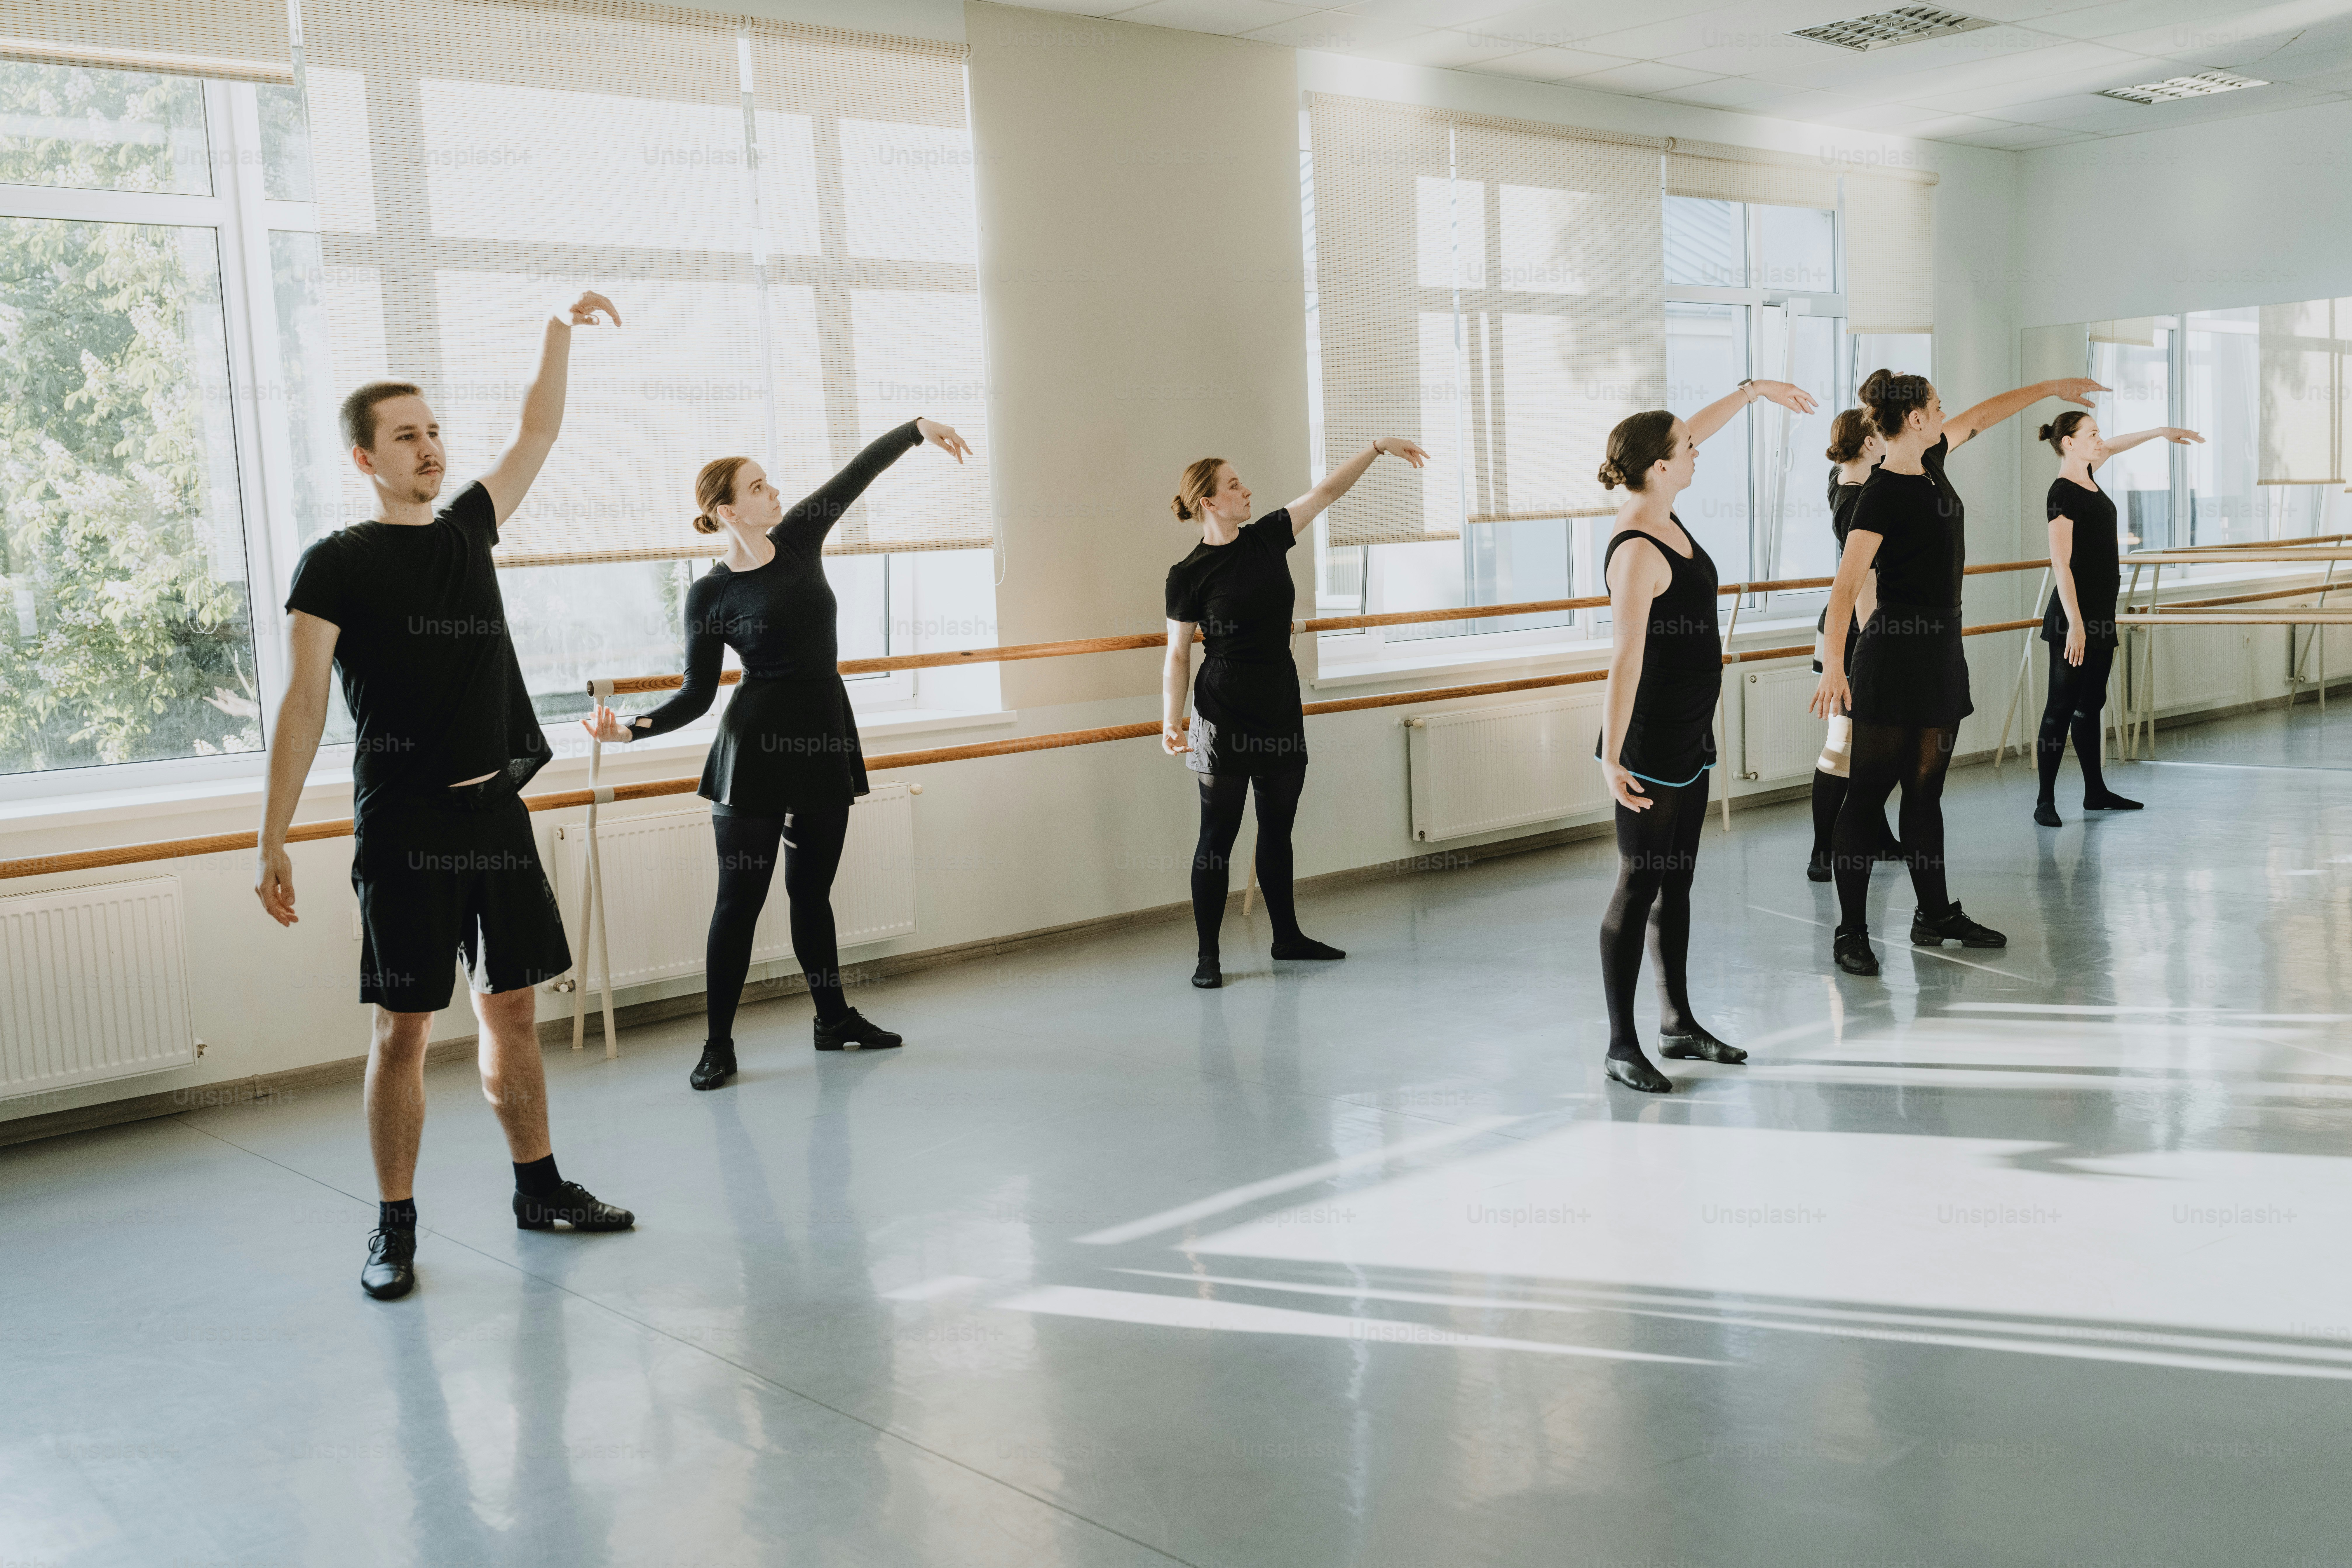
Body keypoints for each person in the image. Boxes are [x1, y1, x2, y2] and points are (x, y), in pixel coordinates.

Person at [256, 291, 635, 1302]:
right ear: (364, 460)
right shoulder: (335, 563)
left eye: (433, 432)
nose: (428, 448)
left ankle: (539, 1188)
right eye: (405, 436)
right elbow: (301, 707)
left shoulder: (470, 527)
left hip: (493, 814)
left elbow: (539, 428)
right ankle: (393, 1228)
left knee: (511, 1007)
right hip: (405, 826)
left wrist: (554, 324)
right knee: (404, 1028)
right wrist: (272, 837)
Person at [581, 419, 975, 1089]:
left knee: (811, 893)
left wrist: (915, 431)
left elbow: (857, 476)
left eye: (771, 483)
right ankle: (717, 1045)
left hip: (823, 735)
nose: (775, 493)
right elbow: (697, 694)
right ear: (727, 510)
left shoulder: (798, 539)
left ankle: (833, 1021)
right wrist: (633, 729)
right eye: (759, 487)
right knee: (738, 901)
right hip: (754, 749)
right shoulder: (710, 593)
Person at [1809, 369, 2106, 976]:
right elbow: (1845, 589)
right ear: (1915, 417)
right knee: (1866, 798)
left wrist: (2047, 387)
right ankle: (1851, 931)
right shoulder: (1881, 491)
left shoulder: (1934, 458)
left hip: (1941, 649)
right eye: (1937, 406)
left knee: (1926, 791)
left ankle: (1935, 915)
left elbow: (1987, 413)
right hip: (1891, 655)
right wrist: (1834, 667)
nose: (1946, 414)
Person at [1594, 379, 1817, 1092]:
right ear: (1659, 466)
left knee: (1679, 882)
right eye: (1686, 450)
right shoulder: (1636, 544)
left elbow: (1692, 428)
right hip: (1649, 744)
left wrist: (1751, 393)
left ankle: (1676, 1022)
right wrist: (1610, 758)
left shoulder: (1667, 510)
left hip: (1691, 737)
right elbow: (1624, 661)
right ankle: (1622, 1044)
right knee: (1639, 884)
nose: (1698, 453)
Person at [1162, 437, 1427, 989]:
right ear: (1209, 502)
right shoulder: (1187, 573)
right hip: (1221, 712)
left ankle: (1287, 937)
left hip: (1279, 703)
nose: (1246, 490)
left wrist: (1376, 448)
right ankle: (1207, 955)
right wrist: (1171, 718)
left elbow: (1325, 492)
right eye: (1234, 485)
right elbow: (1178, 652)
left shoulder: (1267, 538)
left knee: (1277, 828)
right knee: (1218, 834)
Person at [2033, 410, 2202, 825]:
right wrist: (2075, 623)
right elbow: (2061, 564)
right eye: (2091, 434)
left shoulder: (2089, 476)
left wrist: (2161, 431)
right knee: (2061, 706)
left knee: (2092, 704)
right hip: (2073, 619)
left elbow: (2117, 445)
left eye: (2098, 434)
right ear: (2068, 442)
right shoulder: (2062, 492)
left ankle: (2095, 793)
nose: (2100, 440)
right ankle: (2044, 802)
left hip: (2100, 615)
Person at [1807, 410, 1901, 882]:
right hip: (1851, 634)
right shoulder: (1855, 498)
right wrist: (1869, 648)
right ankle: (1822, 852)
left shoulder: (1845, 476)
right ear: (1867, 443)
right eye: (1881, 435)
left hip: (1854, 630)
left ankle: (1879, 837)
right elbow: (1860, 581)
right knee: (1841, 744)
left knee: (1874, 743)